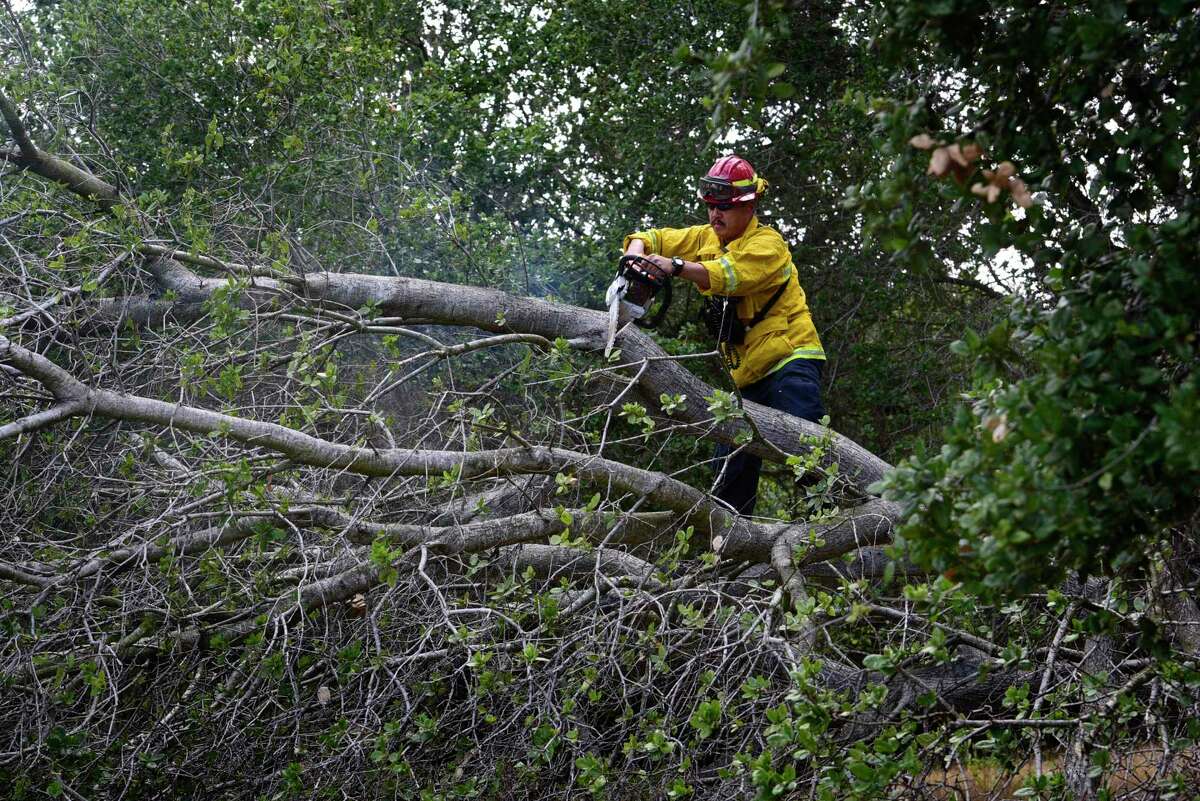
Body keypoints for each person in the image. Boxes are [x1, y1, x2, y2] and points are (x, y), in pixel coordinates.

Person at [622, 155, 826, 516]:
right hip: (747, 375)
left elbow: (730, 275)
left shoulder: (769, 245)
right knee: (731, 467)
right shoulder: (706, 237)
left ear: (748, 206)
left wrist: (675, 266)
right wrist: (636, 255)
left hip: (790, 358)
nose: (716, 215)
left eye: (724, 208)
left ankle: (838, 519)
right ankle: (732, 538)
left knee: (806, 446)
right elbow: (653, 237)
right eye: (711, 207)